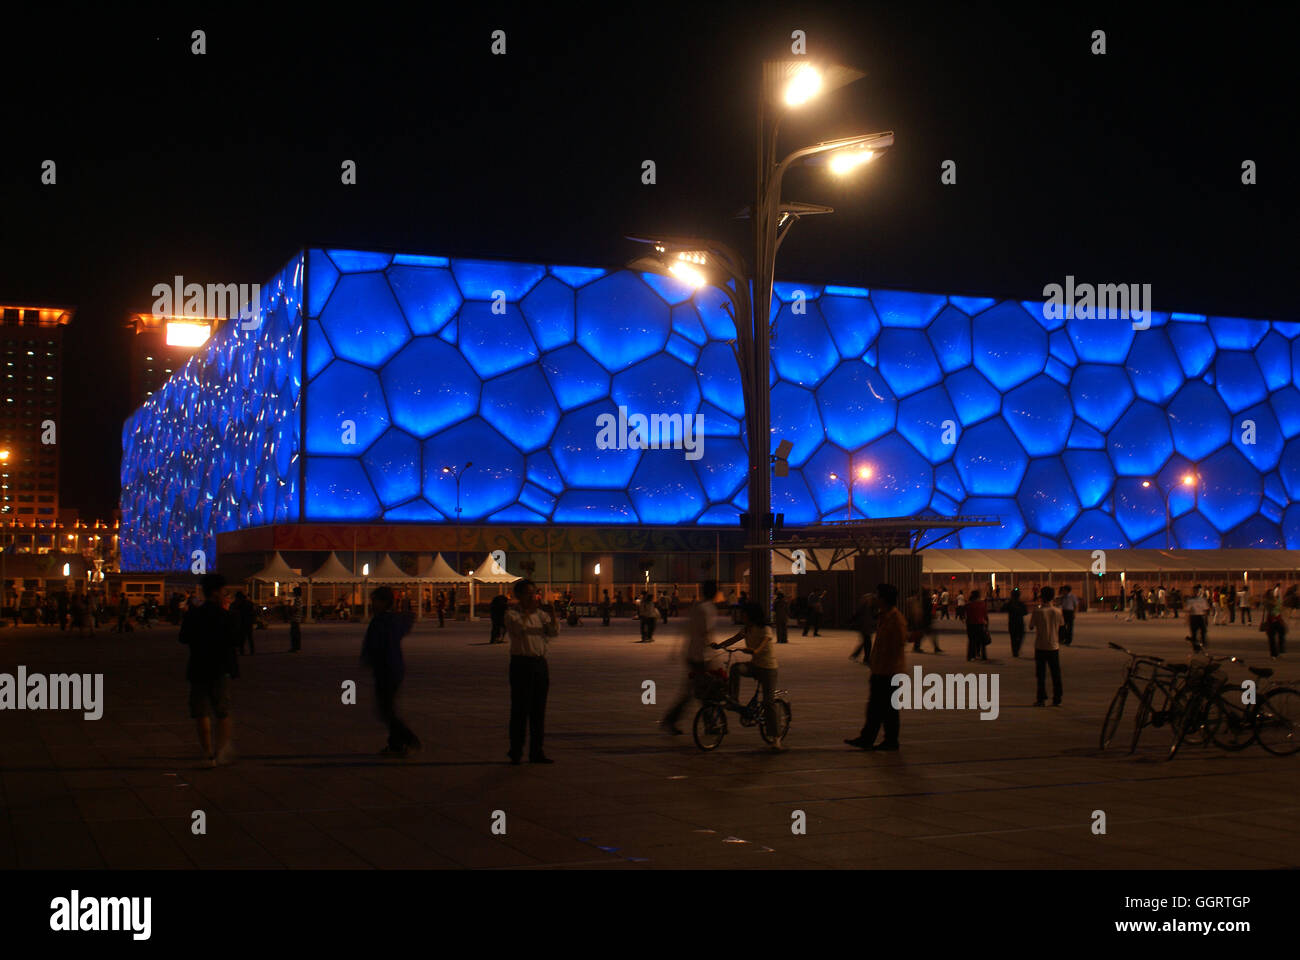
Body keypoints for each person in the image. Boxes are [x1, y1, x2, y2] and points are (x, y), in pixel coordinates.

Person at [178, 573, 240, 766]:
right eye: (224, 592)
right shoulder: (226, 616)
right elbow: (235, 640)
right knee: (222, 711)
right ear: (215, 593)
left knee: (201, 712)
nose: (226, 595)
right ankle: (222, 749)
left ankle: (208, 753)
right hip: (220, 668)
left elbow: (183, 638)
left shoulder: (193, 614)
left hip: (198, 666)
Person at [712, 601, 782, 750]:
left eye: (744, 614)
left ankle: (776, 738)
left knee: (768, 703)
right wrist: (719, 645)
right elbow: (734, 639)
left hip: (769, 669)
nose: (742, 616)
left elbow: (764, 643)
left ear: (751, 615)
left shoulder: (765, 629)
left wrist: (754, 650)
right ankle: (734, 699)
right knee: (736, 668)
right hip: (756, 666)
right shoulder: (747, 629)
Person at [844, 583, 906, 752]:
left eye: (877, 596)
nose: (874, 599)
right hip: (879, 669)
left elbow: (899, 643)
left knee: (888, 708)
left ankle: (890, 741)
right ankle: (867, 738)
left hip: (890, 671)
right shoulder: (884, 616)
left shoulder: (895, 618)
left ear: (884, 598)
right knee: (875, 707)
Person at [360, 586, 420, 757]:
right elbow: (407, 619)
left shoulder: (382, 621)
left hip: (386, 668)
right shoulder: (393, 620)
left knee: (385, 710)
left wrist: (368, 658)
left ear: (384, 602)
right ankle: (396, 745)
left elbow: (375, 644)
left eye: (376, 600)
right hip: (393, 668)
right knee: (387, 708)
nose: (372, 604)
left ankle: (407, 738)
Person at [504, 578, 558, 764]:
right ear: (518, 595)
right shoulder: (512, 614)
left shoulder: (541, 615)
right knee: (520, 709)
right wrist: (529, 610)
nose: (533, 596)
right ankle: (516, 750)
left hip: (540, 664)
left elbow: (553, 633)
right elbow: (520, 628)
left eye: (534, 592)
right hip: (521, 664)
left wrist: (552, 614)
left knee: (538, 710)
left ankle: (537, 751)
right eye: (528, 593)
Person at [662, 580, 720, 735]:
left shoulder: (696, 606)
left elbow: (685, 628)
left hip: (691, 653)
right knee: (702, 692)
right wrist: (715, 651)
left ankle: (674, 720)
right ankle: (673, 719)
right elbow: (707, 632)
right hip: (702, 657)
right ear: (715, 592)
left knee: (698, 691)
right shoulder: (709, 609)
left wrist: (676, 649)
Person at [1030, 586, 1064, 706]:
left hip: (1040, 645)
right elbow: (1061, 625)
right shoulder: (1058, 611)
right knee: (1056, 673)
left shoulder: (1037, 611)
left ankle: (1041, 698)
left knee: (1041, 674)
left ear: (1042, 597)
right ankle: (1057, 697)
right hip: (1054, 646)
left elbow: (1031, 626)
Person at [909, 588, 940, 654]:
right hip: (925, 619)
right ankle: (935, 647)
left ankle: (916, 647)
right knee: (926, 633)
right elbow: (932, 606)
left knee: (922, 634)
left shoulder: (920, 600)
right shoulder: (928, 599)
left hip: (923, 619)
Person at [849, 591, 876, 662]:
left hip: (866, 625)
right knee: (867, 641)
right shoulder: (866, 605)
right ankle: (866, 658)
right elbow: (858, 614)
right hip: (864, 625)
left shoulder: (868, 605)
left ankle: (857, 655)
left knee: (866, 641)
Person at [965, 589, 989, 661]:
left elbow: (966, 614)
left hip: (970, 624)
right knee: (982, 640)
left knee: (972, 641)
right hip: (980, 624)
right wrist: (986, 624)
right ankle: (984, 656)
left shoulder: (968, 604)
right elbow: (985, 615)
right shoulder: (982, 604)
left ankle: (971, 656)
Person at [1263, 592, 1287, 659]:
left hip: (1272, 622)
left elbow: (1275, 611)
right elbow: (1279, 610)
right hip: (1278, 621)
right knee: (1280, 638)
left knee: (1272, 639)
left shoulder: (1267, 602)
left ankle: (1274, 654)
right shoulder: (1276, 602)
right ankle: (1280, 652)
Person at [1004, 587, 1028, 657]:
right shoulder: (1021, 604)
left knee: (1013, 638)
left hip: (1012, 623)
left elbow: (1003, 609)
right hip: (1020, 623)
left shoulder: (1009, 603)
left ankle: (1015, 651)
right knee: (1020, 637)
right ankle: (1017, 648)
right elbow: (1025, 612)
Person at [231, 590, 255, 655]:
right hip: (248, 622)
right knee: (249, 638)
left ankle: (242, 651)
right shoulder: (249, 603)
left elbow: (233, 612)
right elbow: (253, 612)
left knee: (242, 638)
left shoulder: (238, 604)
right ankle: (251, 651)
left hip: (242, 623)